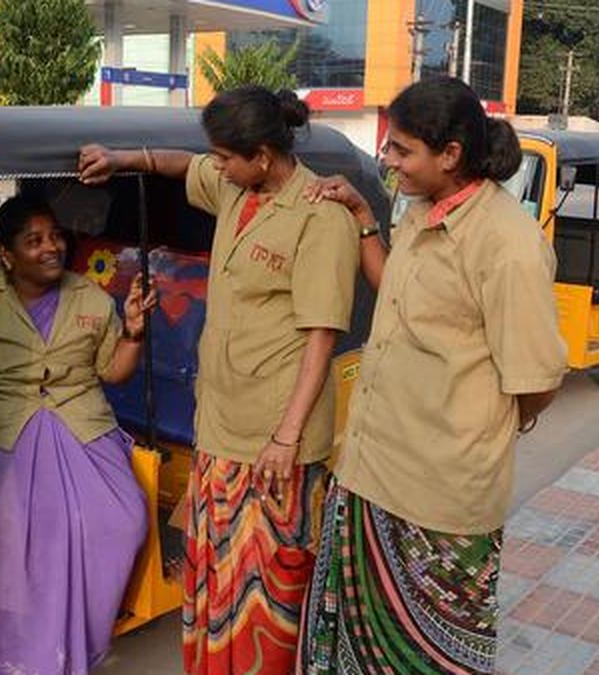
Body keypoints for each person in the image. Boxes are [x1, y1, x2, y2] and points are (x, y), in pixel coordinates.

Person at [78, 85, 360, 675]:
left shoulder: (320, 216)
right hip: (221, 428)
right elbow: (184, 166)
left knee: (266, 590)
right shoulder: (238, 188)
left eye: (226, 158)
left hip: (274, 443)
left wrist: (286, 439)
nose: (217, 168)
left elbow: (321, 339)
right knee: (215, 583)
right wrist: (123, 159)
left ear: (261, 154)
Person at [296, 77, 568, 674]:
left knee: (431, 659)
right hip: (372, 470)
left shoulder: (508, 244)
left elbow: (538, 377)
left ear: (451, 155)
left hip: (440, 497)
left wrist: (481, 425)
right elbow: (396, 290)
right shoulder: (418, 211)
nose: (388, 161)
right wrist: (365, 217)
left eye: (402, 151)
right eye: (388, 147)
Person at [0, 195, 156, 675]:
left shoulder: (92, 298)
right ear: (6, 255)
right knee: (0, 528)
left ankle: (81, 640)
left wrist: (134, 332)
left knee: (125, 520)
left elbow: (113, 374)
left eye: (54, 236)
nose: (51, 247)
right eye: (34, 241)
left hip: (82, 423)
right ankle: (12, 654)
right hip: (2, 429)